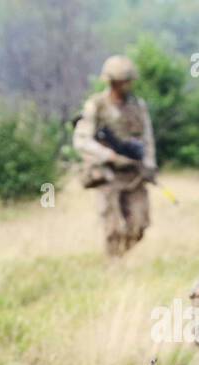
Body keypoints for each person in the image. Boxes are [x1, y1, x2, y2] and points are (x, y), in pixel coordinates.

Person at [73, 56, 156, 256]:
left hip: (134, 174)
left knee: (140, 225)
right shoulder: (96, 105)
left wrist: (149, 165)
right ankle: (114, 266)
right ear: (113, 82)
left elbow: (147, 138)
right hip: (108, 174)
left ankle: (119, 255)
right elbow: (82, 140)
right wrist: (107, 155)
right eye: (124, 81)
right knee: (113, 228)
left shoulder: (138, 105)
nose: (128, 85)